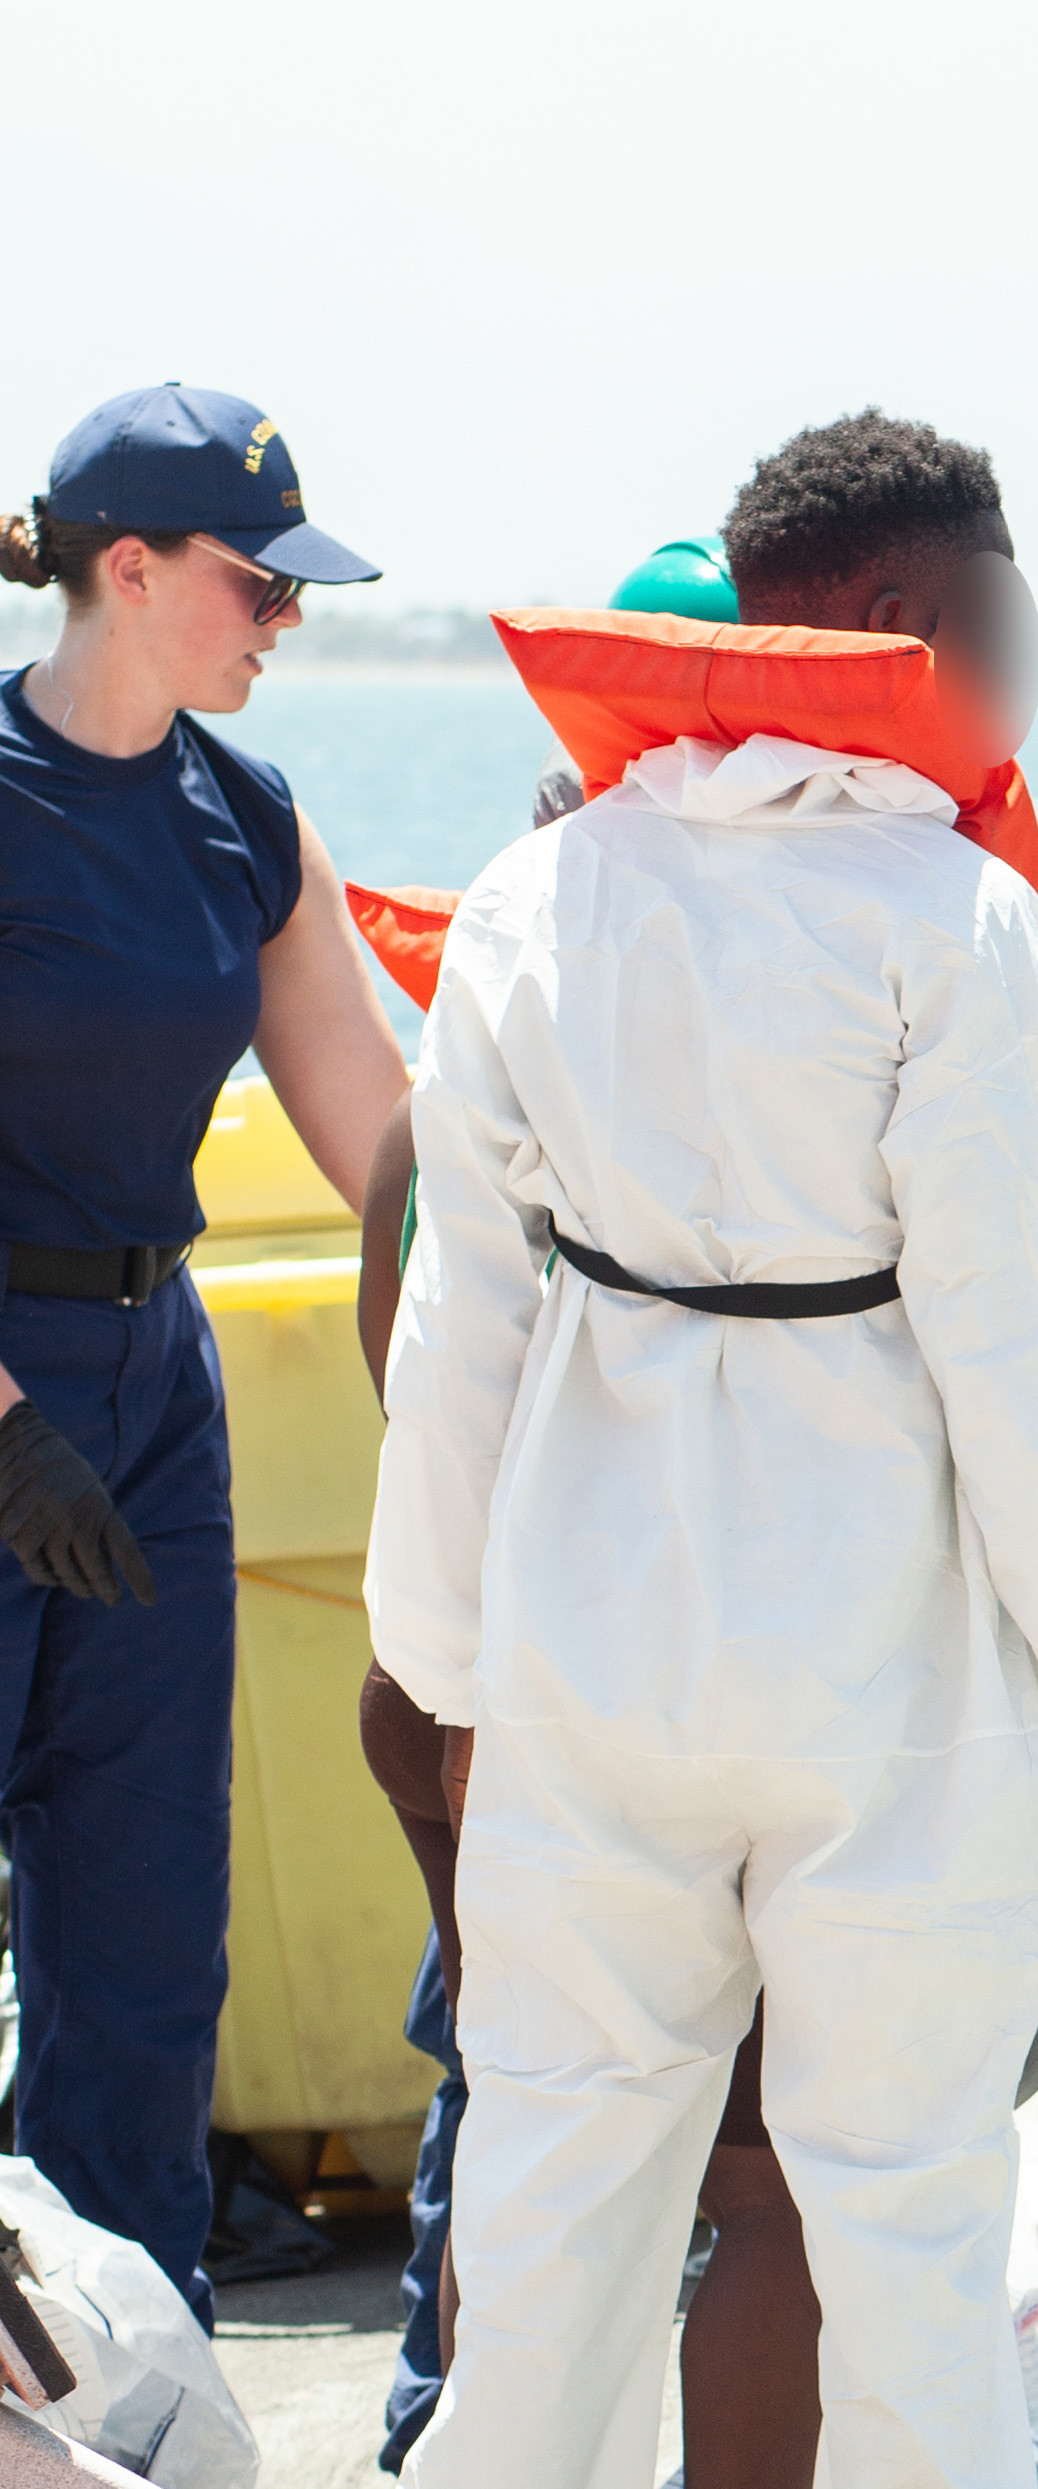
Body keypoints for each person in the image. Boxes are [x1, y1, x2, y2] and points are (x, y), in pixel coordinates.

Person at [367, 411, 1038, 2487]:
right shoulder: (949, 917)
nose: (1029, 664)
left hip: (591, 1647)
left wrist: (437, 1664)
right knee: (907, 2222)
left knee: (551, 2210)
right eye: (1010, 617)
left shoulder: (535, 890)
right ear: (901, 619)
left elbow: (465, 1318)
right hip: (881, 1687)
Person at [350, 526, 895, 2480]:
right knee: (750, 2162)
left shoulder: (475, 1069)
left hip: (488, 1690)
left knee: (527, 2112)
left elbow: (424, 1394)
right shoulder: (781, 1040)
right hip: (634, 1687)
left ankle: (438, 2417)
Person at [0, 384, 406, 2322]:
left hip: (152, 1392)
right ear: (129, 568)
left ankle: (122, 2352)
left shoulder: (247, 827)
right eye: (261, 584)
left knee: (148, 1933)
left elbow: (392, 1138)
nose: (285, 624)